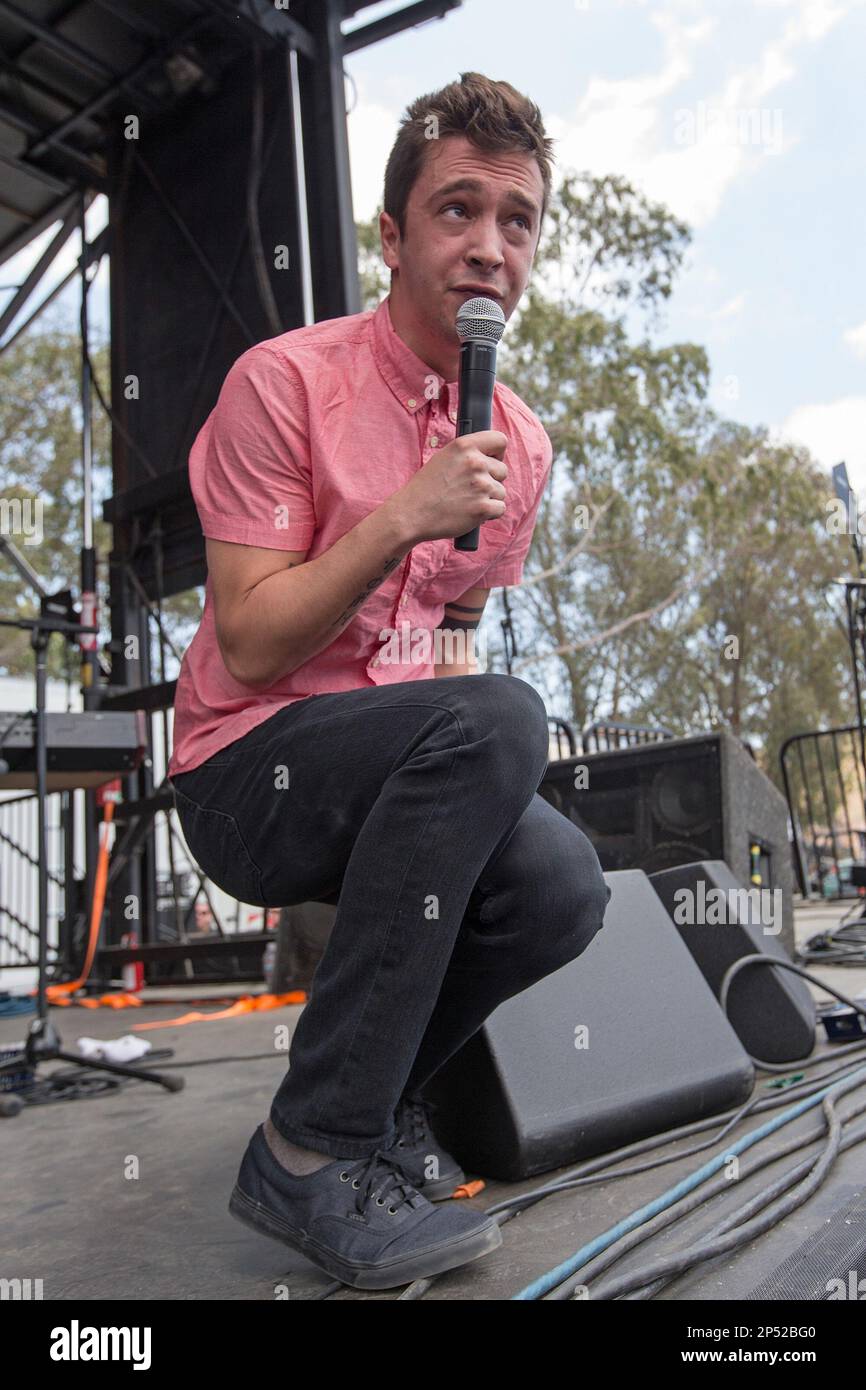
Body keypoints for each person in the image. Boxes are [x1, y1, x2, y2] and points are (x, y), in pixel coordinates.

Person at [167, 72, 610, 1292]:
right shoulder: (283, 382)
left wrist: (474, 785)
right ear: (392, 234)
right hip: (245, 773)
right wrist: (395, 519)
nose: (487, 246)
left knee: (563, 883)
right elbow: (252, 644)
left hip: (388, 755)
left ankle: (382, 1107)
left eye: (514, 221)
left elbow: (452, 640)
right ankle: (307, 1149)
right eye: (455, 209)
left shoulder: (516, 444)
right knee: (495, 719)